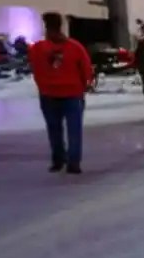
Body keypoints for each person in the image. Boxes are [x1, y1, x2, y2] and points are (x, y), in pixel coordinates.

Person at [28, 12, 94, 173]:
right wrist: (86, 85)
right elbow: (86, 68)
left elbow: (35, 69)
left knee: (54, 129)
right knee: (74, 130)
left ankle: (58, 160)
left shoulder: (37, 48)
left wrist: (43, 86)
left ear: (46, 27)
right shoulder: (75, 47)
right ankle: (74, 163)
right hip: (72, 94)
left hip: (49, 94)